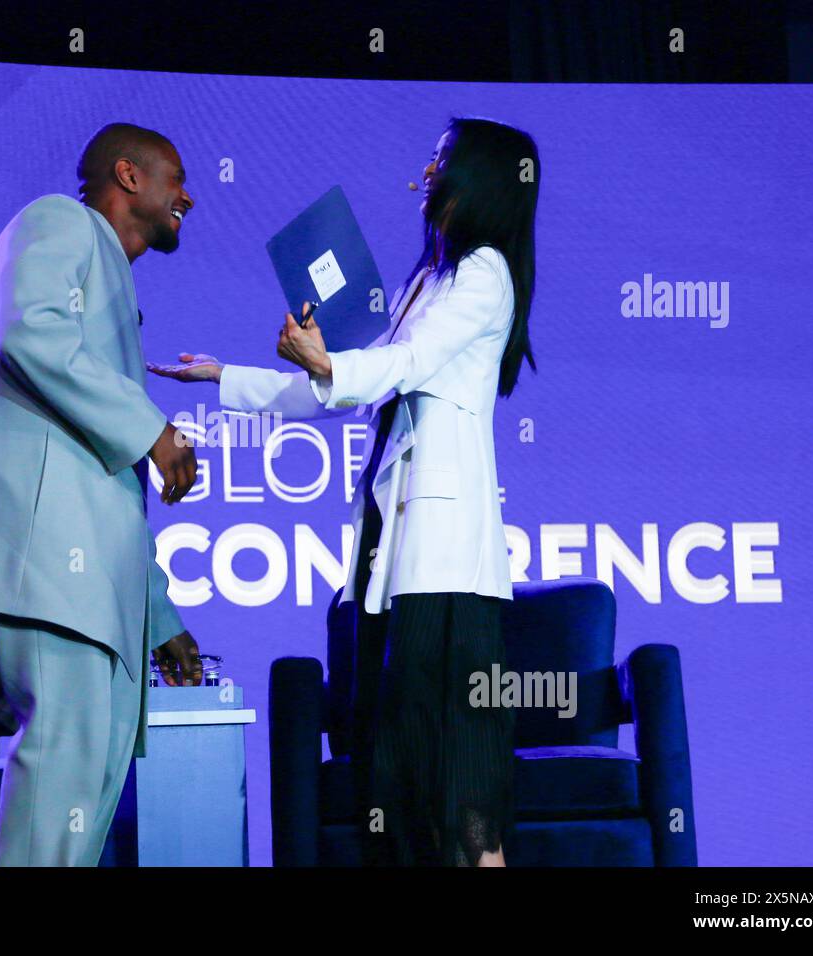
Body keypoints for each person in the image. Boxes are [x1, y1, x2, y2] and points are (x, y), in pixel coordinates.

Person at [149, 116, 540, 866]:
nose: (426, 173)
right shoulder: (425, 279)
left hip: (445, 564)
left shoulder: (485, 272)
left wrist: (329, 364)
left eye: (440, 160)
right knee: (394, 769)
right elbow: (348, 391)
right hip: (388, 560)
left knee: (457, 772)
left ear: (480, 177)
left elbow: (404, 364)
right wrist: (226, 375)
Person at [0, 123, 204, 867]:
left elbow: (102, 481)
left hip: (90, 582)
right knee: (65, 768)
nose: (189, 197)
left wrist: (157, 615)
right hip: (47, 561)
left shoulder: (111, 278)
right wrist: (152, 428)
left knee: (88, 778)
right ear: (129, 177)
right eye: (175, 178)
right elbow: (28, 331)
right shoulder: (58, 221)